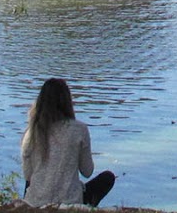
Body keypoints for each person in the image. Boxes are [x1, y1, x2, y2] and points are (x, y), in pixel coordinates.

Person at [21, 77, 116, 207]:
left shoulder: (31, 132)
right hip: (69, 202)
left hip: (34, 202)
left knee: (32, 181)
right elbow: (87, 172)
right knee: (108, 177)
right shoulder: (79, 129)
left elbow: (28, 175)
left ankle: (34, 202)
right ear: (67, 102)